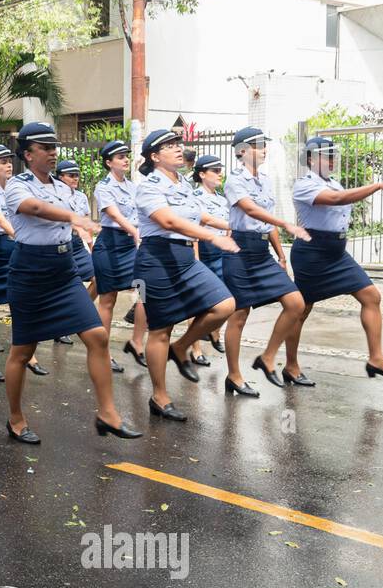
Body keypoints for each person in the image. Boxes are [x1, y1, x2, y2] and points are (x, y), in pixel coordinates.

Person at [2, 123, 139, 443]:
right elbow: (32, 209)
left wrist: (83, 229)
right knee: (22, 352)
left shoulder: (65, 189)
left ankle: (108, 413)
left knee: (97, 336)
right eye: (45, 147)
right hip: (30, 272)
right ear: (27, 153)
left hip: (64, 272)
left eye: (54, 147)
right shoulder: (17, 185)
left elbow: (75, 218)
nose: (52, 152)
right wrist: (72, 218)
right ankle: (15, 417)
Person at [132, 129, 239, 422]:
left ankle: (181, 347)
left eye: (178, 144)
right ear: (154, 157)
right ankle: (160, 396)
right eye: (169, 146)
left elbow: (196, 214)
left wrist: (228, 225)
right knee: (161, 329)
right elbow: (168, 220)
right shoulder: (148, 186)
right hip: (156, 258)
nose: (178, 148)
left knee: (225, 305)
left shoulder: (182, 184)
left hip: (184, 258)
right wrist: (212, 238)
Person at [286, 136, 383, 382]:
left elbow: (340, 200)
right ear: (311, 158)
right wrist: (377, 186)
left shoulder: (336, 183)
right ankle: (291, 366)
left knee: (371, 296)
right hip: (312, 253)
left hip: (337, 253)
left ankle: (376, 359)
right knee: (301, 310)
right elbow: (336, 200)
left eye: (333, 155)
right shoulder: (304, 184)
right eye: (326, 155)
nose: (332, 160)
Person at [220, 127, 310, 396]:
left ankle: (268, 357)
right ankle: (234, 376)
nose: (264, 149)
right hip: (240, 250)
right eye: (258, 145)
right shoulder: (234, 180)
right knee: (239, 315)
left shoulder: (267, 180)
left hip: (262, 252)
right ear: (242, 151)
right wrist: (284, 222)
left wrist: (281, 255)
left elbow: (266, 220)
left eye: (264, 145)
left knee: (296, 303)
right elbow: (250, 209)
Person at [0, 144, 47, 382]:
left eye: (9, 160)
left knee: (21, 305)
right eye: (2, 161)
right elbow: (0, 220)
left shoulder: (19, 188)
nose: (8, 164)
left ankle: (28, 356)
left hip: (15, 251)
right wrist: (23, 236)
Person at [91, 139, 147, 374]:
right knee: (108, 299)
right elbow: (113, 214)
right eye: (120, 156)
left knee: (145, 289)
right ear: (108, 162)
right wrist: (134, 230)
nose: (125, 159)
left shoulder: (133, 186)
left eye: (126, 155)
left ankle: (136, 342)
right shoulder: (103, 187)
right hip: (110, 244)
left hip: (130, 245)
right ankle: (103, 353)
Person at [188, 155, 230, 365]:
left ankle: (215, 332)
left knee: (225, 298)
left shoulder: (222, 199)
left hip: (222, 251)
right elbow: (195, 230)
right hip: (204, 250)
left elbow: (229, 226)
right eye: (215, 170)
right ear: (202, 174)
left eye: (220, 169)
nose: (219, 173)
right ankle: (195, 348)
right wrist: (195, 259)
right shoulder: (194, 197)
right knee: (199, 301)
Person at [55, 159, 94, 346]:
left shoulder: (81, 197)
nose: (75, 178)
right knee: (63, 287)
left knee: (98, 278)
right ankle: (59, 325)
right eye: (71, 175)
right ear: (60, 177)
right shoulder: (52, 196)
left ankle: (78, 313)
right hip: (60, 244)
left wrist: (92, 245)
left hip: (77, 245)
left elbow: (86, 223)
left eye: (77, 174)